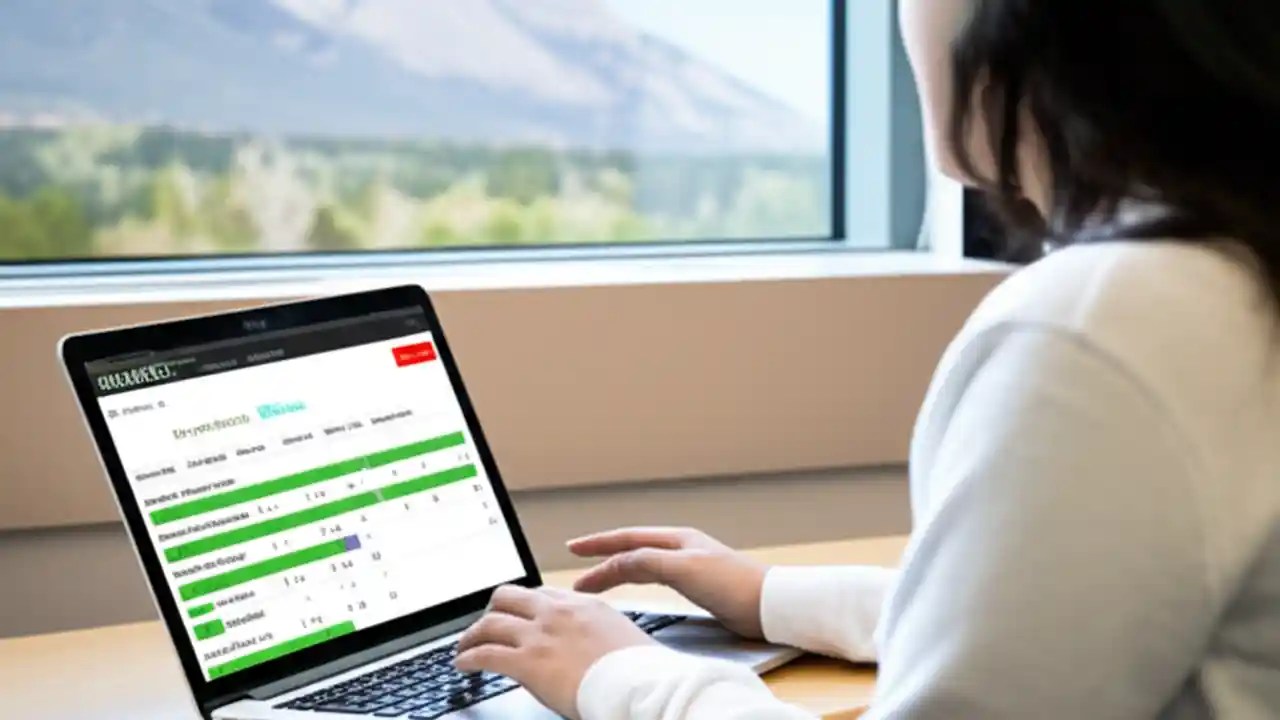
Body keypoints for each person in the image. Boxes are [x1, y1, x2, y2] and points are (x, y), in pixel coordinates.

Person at [453, 0, 1280, 717]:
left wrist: (627, 679)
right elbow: (1079, 619)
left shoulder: (1109, 328)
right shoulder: (1229, 278)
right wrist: (774, 598)